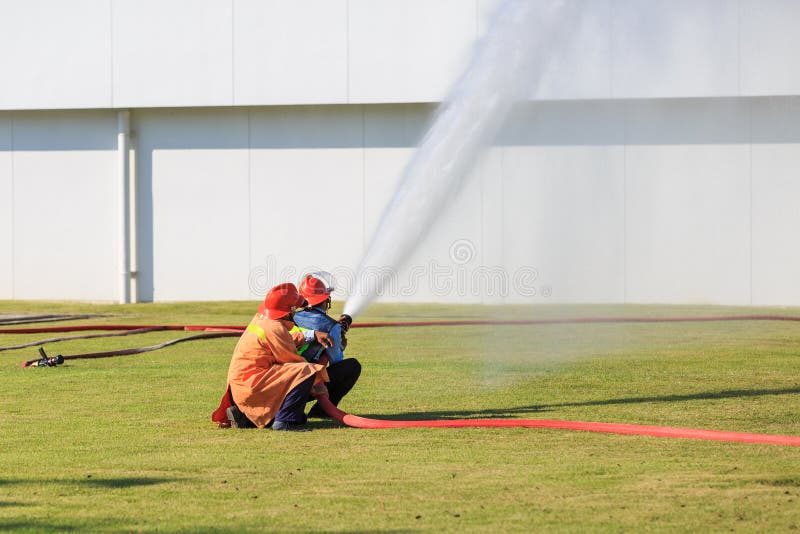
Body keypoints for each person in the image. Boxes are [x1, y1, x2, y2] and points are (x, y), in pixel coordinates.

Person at [211, 282, 333, 431]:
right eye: (294, 309)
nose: (296, 312)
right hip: (252, 385)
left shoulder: (262, 319)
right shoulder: (275, 328)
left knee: (297, 380)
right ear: (289, 310)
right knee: (306, 371)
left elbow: (282, 339)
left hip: (241, 386)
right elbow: (293, 361)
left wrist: (312, 334)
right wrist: (318, 383)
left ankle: (244, 417)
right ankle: (285, 421)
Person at [293, 273, 361, 418]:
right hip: (306, 385)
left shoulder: (290, 318)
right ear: (326, 300)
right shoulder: (331, 326)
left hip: (282, 381)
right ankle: (321, 411)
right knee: (352, 367)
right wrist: (340, 345)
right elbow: (336, 361)